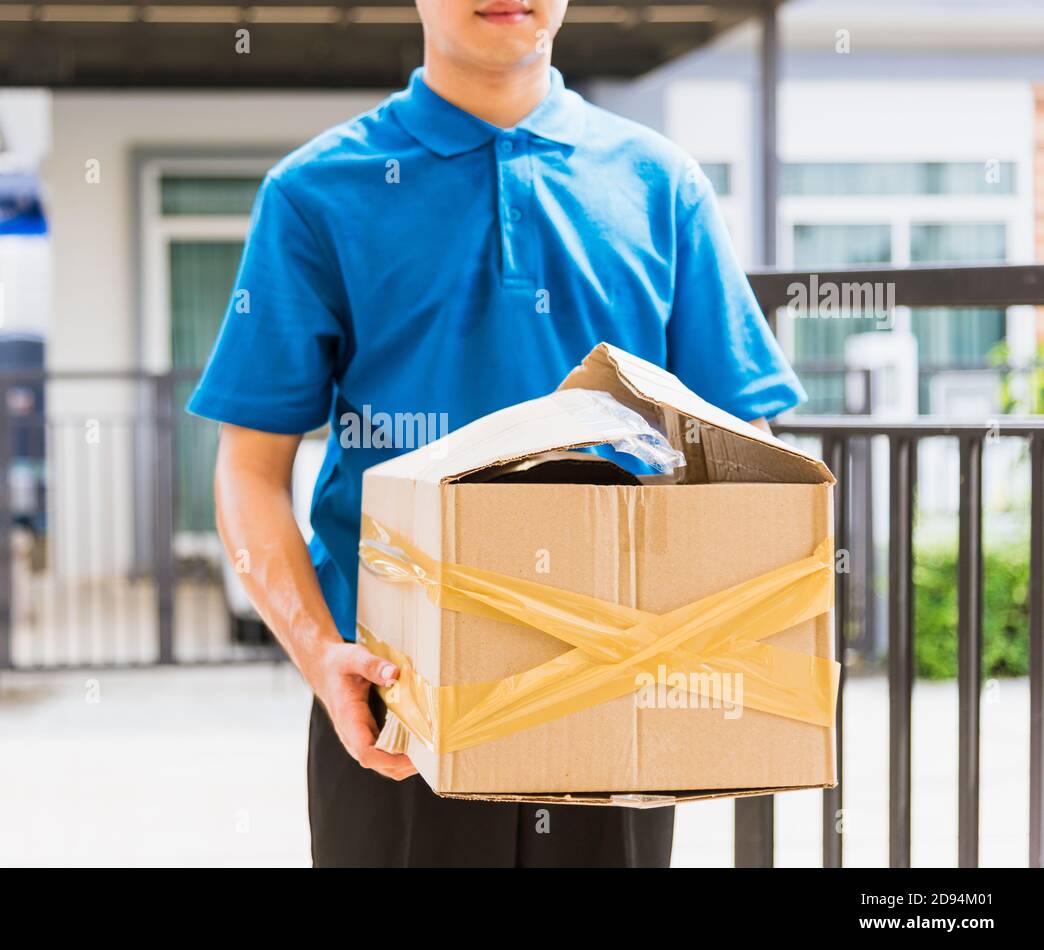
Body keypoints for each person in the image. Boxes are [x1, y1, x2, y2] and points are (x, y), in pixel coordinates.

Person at [188, 0, 806, 867]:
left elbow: (746, 441)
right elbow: (249, 468)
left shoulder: (660, 184)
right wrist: (321, 653)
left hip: (615, 698)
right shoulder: (316, 193)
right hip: (394, 709)